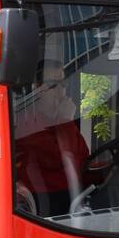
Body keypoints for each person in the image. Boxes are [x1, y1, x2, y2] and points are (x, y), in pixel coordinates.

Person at [13, 77, 93, 217]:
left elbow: (82, 156)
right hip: (45, 204)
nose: (61, 91)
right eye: (54, 85)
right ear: (36, 89)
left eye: (63, 84)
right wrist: (65, 120)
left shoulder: (58, 120)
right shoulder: (26, 121)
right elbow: (59, 158)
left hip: (72, 196)